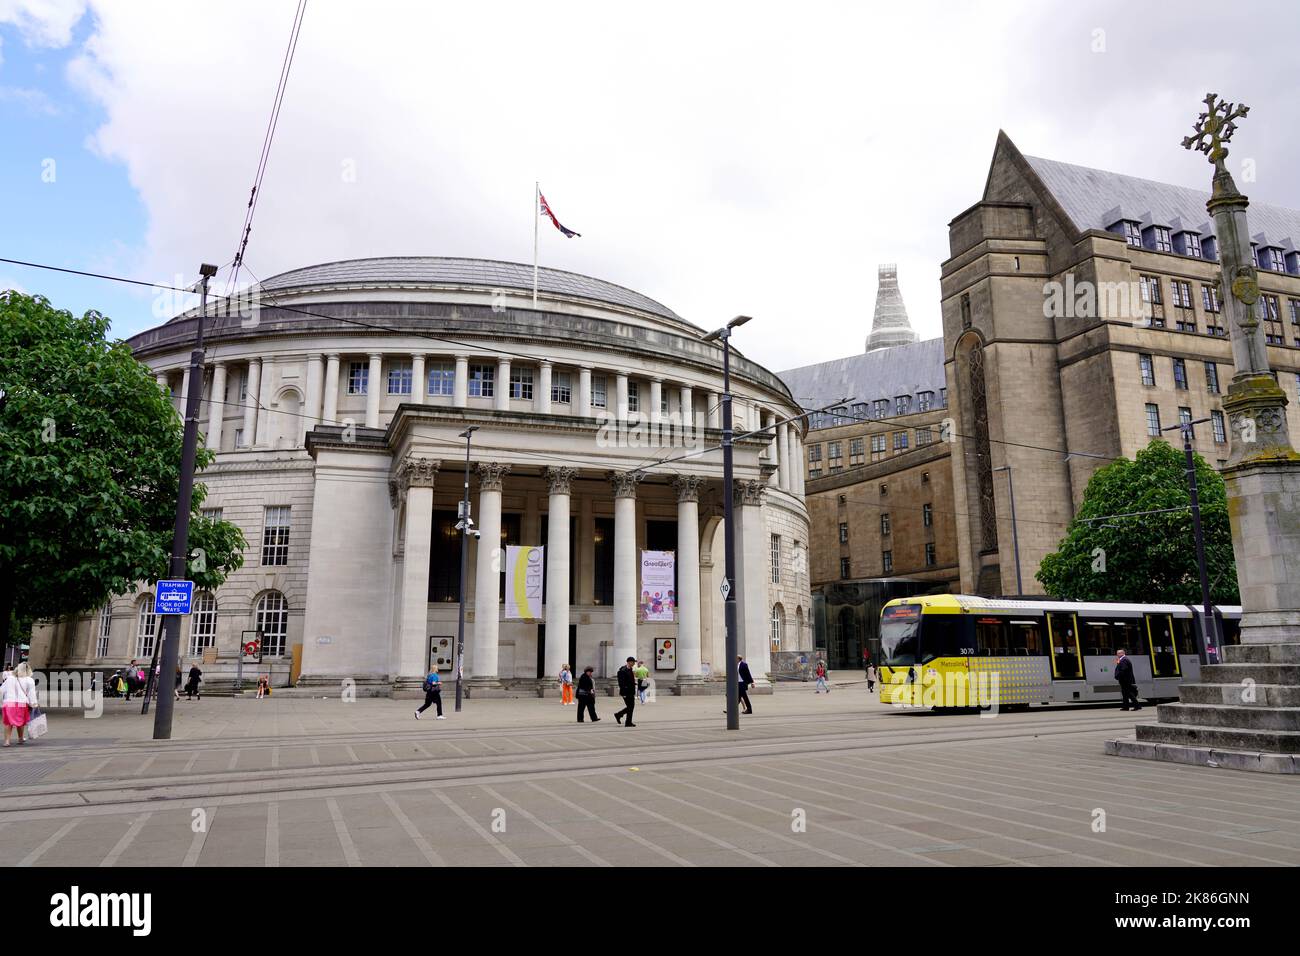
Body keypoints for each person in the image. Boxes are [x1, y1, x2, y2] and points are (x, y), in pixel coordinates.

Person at [2, 662, 39, 747]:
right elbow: (31, 694)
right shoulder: (29, 680)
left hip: (9, 702)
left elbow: (2, 690)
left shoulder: (10, 678)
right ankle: (20, 738)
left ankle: (7, 741)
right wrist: (34, 703)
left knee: (8, 722)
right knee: (21, 721)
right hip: (21, 703)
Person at [614, 656, 638, 727]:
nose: (634, 663)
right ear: (629, 662)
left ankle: (619, 715)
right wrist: (624, 693)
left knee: (631, 706)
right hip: (626, 692)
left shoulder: (630, 669)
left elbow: (629, 680)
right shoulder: (622, 670)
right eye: (633, 662)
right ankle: (626, 721)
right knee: (630, 706)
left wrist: (634, 683)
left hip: (631, 691)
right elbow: (621, 683)